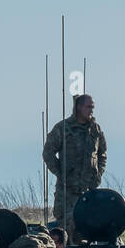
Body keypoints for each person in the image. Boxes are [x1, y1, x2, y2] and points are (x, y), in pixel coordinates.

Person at [43, 94, 106, 234]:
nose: (91, 110)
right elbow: (48, 153)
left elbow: (102, 154)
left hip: (89, 191)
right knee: (67, 231)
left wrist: (98, 174)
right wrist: (61, 173)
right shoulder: (63, 128)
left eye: (93, 107)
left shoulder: (95, 130)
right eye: (88, 107)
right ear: (78, 107)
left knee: (90, 229)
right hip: (67, 193)